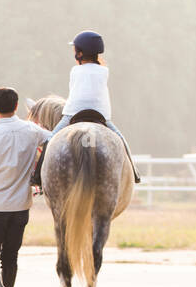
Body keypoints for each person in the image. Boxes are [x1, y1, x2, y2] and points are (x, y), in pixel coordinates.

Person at [34, 30, 141, 185]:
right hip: (100, 114)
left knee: (50, 141)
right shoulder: (105, 71)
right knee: (121, 139)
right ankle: (134, 172)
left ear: (80, 53)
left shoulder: (75, 70)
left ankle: (37, 176)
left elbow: (74, 90)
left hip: (73, 113)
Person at [0, 87, 50, 287]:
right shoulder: (33, 131)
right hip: (21, 207)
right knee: (10, 257)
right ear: (16, 106)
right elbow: (53, 138)